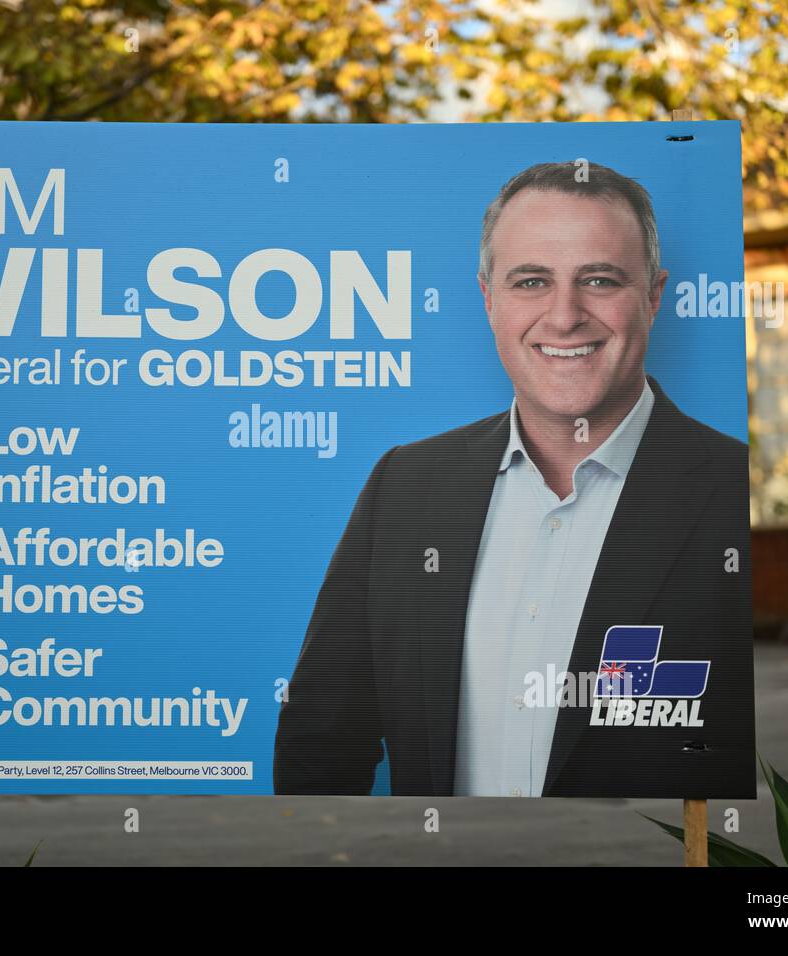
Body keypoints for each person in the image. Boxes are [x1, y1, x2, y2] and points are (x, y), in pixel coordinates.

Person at [274, 160, 754, 798]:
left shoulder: (732, 488)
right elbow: (320, 741)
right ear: (488, 298)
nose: (563, 317)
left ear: (654, 296)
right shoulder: (406, 487)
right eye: (531, 281)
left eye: (600, 279)